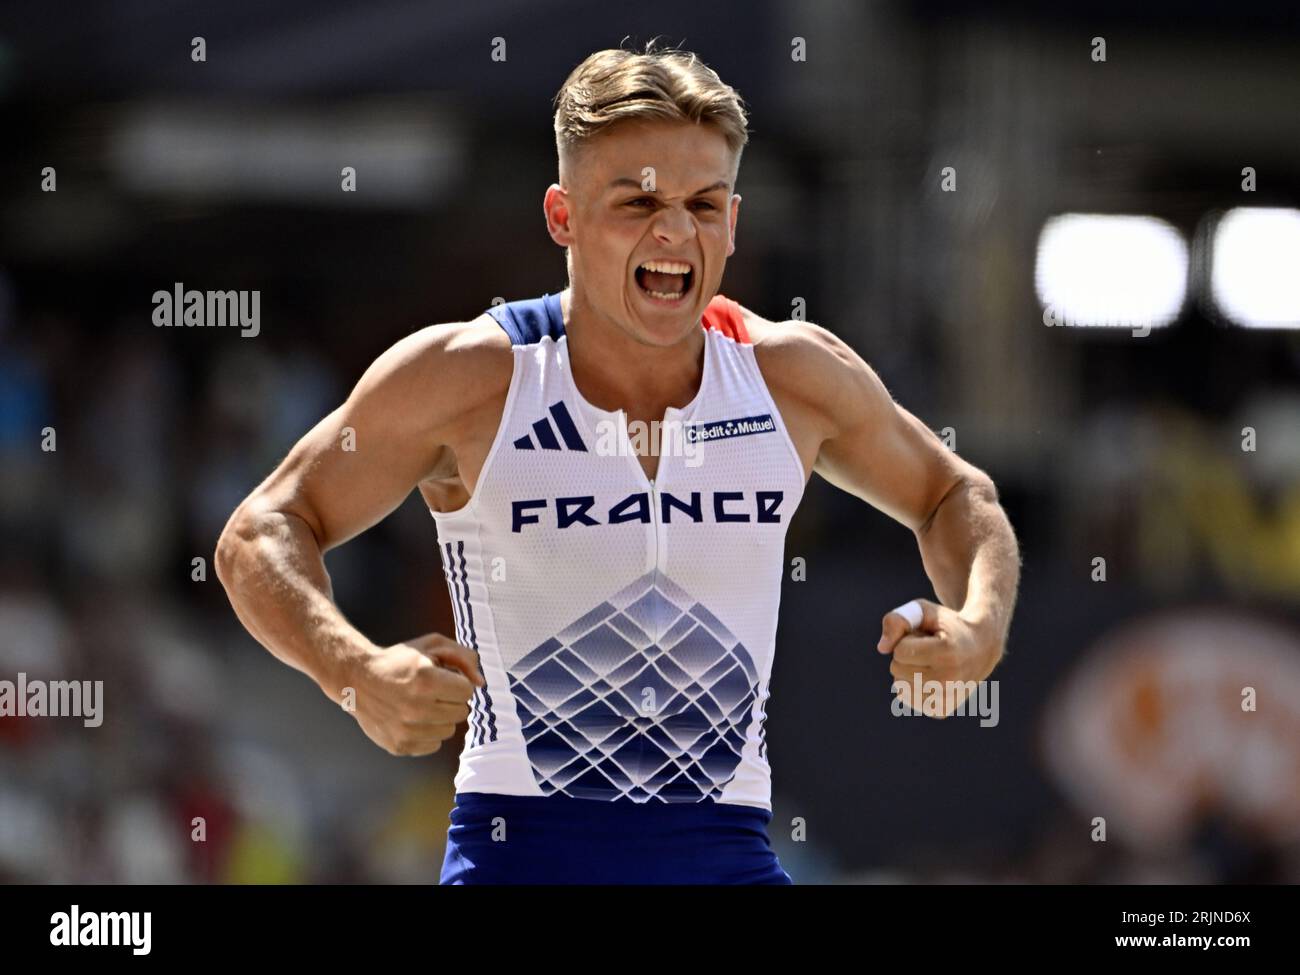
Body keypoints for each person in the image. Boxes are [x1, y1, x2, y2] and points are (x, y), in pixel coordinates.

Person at [215, 43, 1021, 884]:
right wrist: (354, 671)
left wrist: (980, 629)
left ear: (735, 223)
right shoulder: (471, 377)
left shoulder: (792, 379)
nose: (675, 232)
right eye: (638, 201)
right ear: (563, 217)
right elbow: (259, 532)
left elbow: (954, 492)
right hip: (520, 855)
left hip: (727, 856)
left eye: (704, 205)